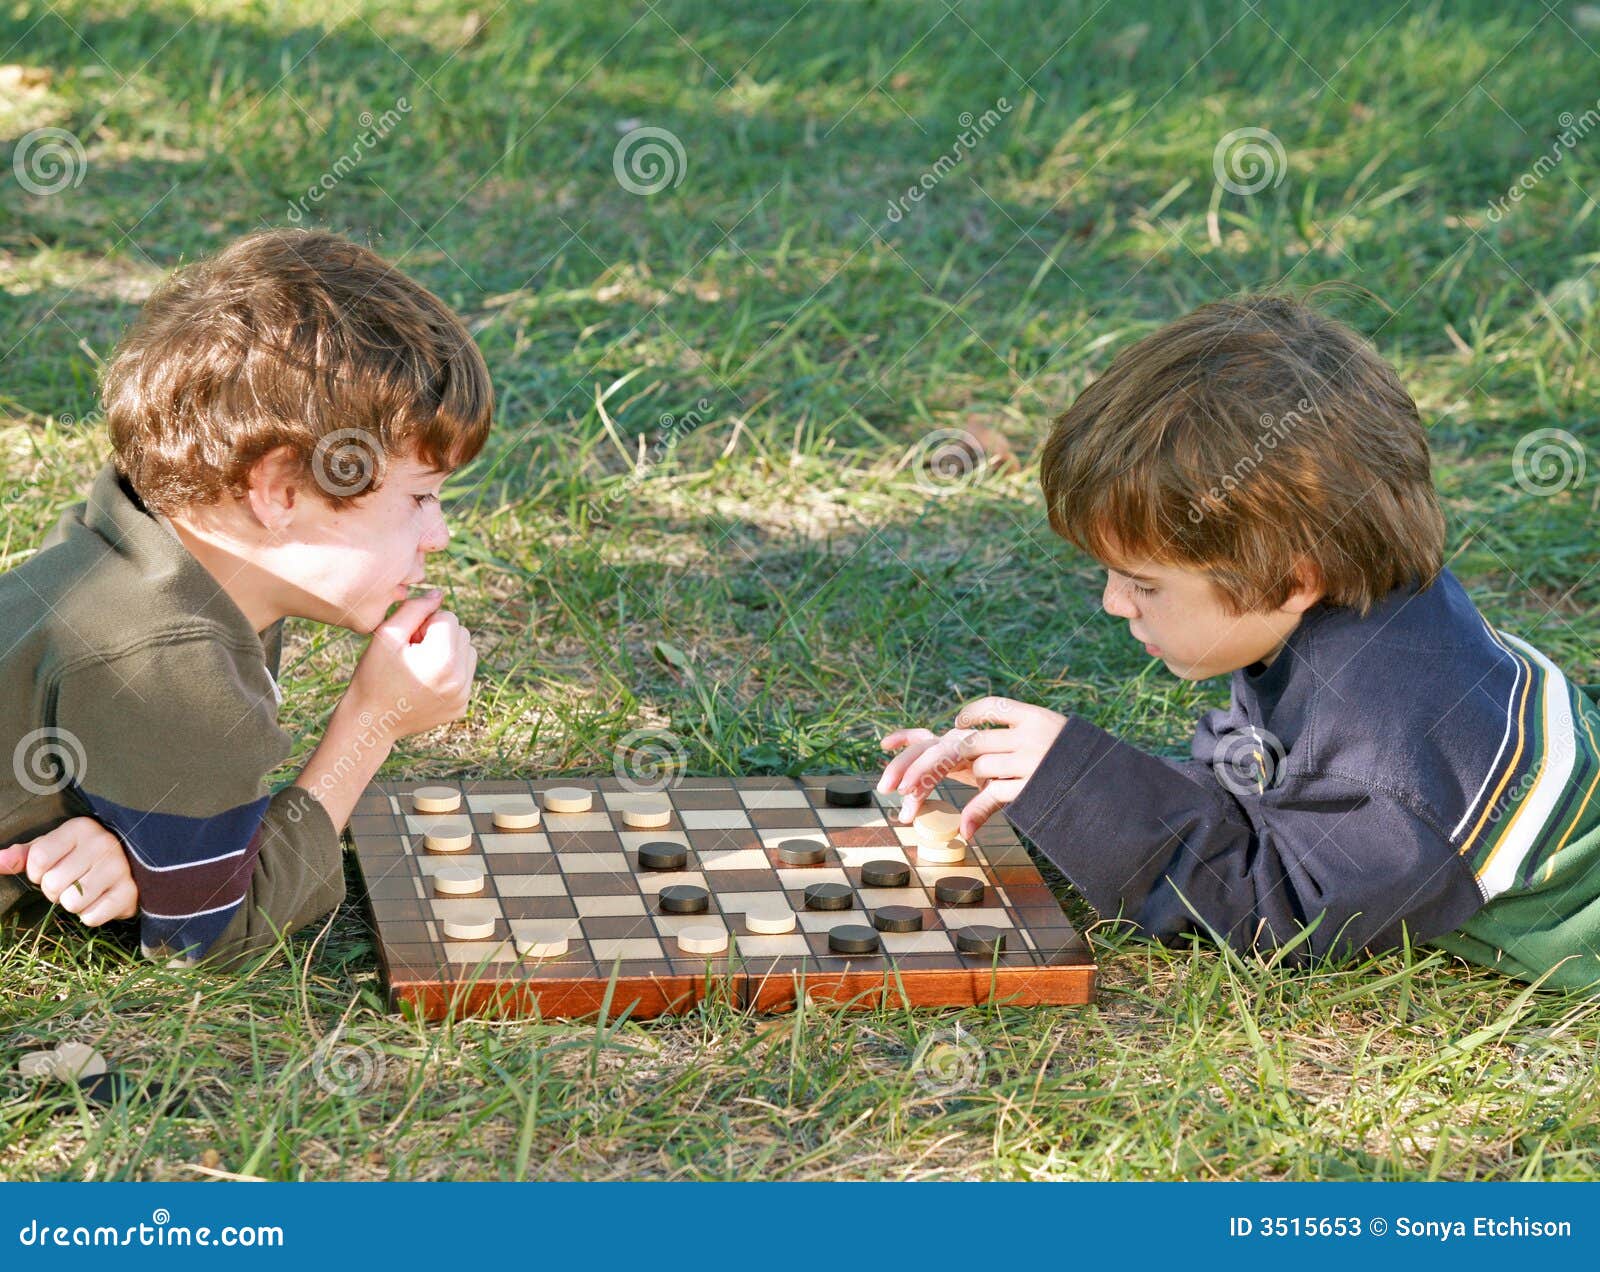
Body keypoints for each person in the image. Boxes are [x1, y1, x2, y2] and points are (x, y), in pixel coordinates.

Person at [879, 294, 1600, 991]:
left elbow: (1276, 914)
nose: (1111, 602)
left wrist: (1074, 782)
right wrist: (1048, 792)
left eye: (1144, 583)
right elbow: (1261, 791)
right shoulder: (1346, 608)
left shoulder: (1390, 763)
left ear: (1291, 582)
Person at [0, 229, 488, 967]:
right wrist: (373, 722)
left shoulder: (135, 542)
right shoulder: (166, 656)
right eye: (419, 498)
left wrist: (131, 847)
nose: (440, 535)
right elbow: (213, 934)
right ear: (281, 491)